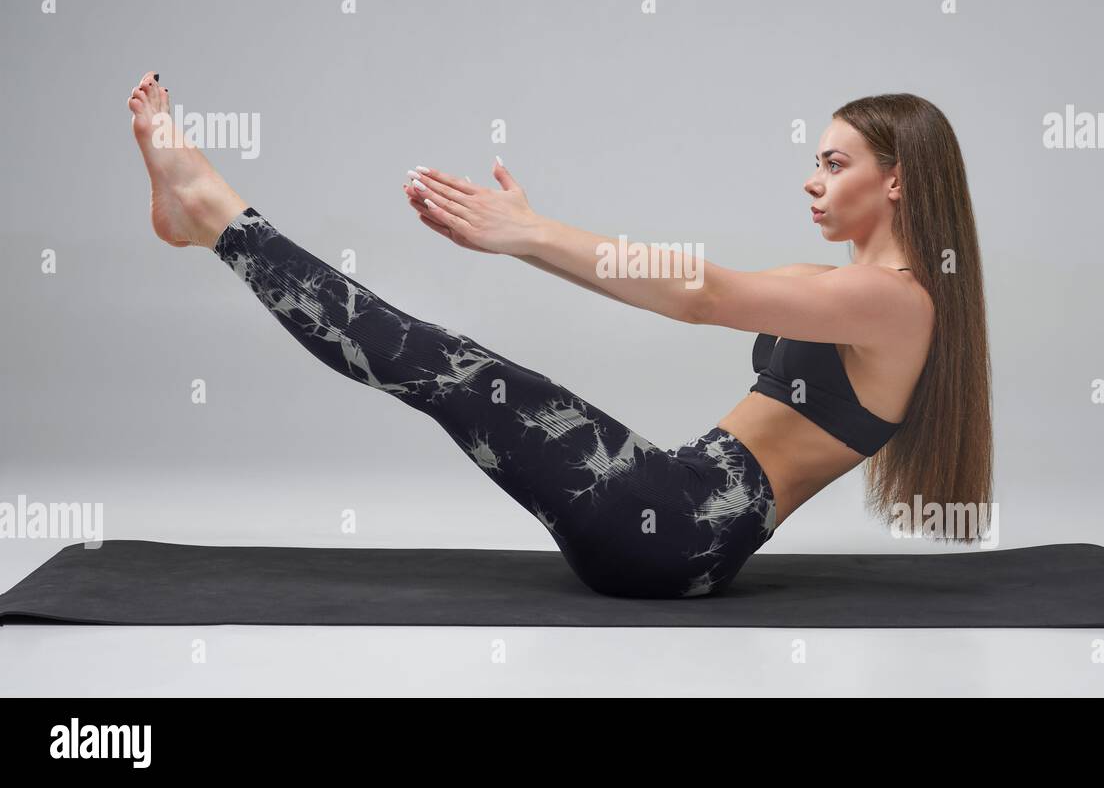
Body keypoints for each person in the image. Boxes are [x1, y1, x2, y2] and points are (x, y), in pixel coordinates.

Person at [125, 71, 991, 598]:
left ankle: (209, 213)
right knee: (440, 367)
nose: (811, 181)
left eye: (835, 163)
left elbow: (699, 294)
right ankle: (207, 221)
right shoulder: (837, 288)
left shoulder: (899, 303)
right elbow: (667, 290)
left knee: (437, 364)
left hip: (674, 527)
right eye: (813, 159)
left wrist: (530, 235)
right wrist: (527, 239)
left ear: (898, 181)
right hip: (668, 513)